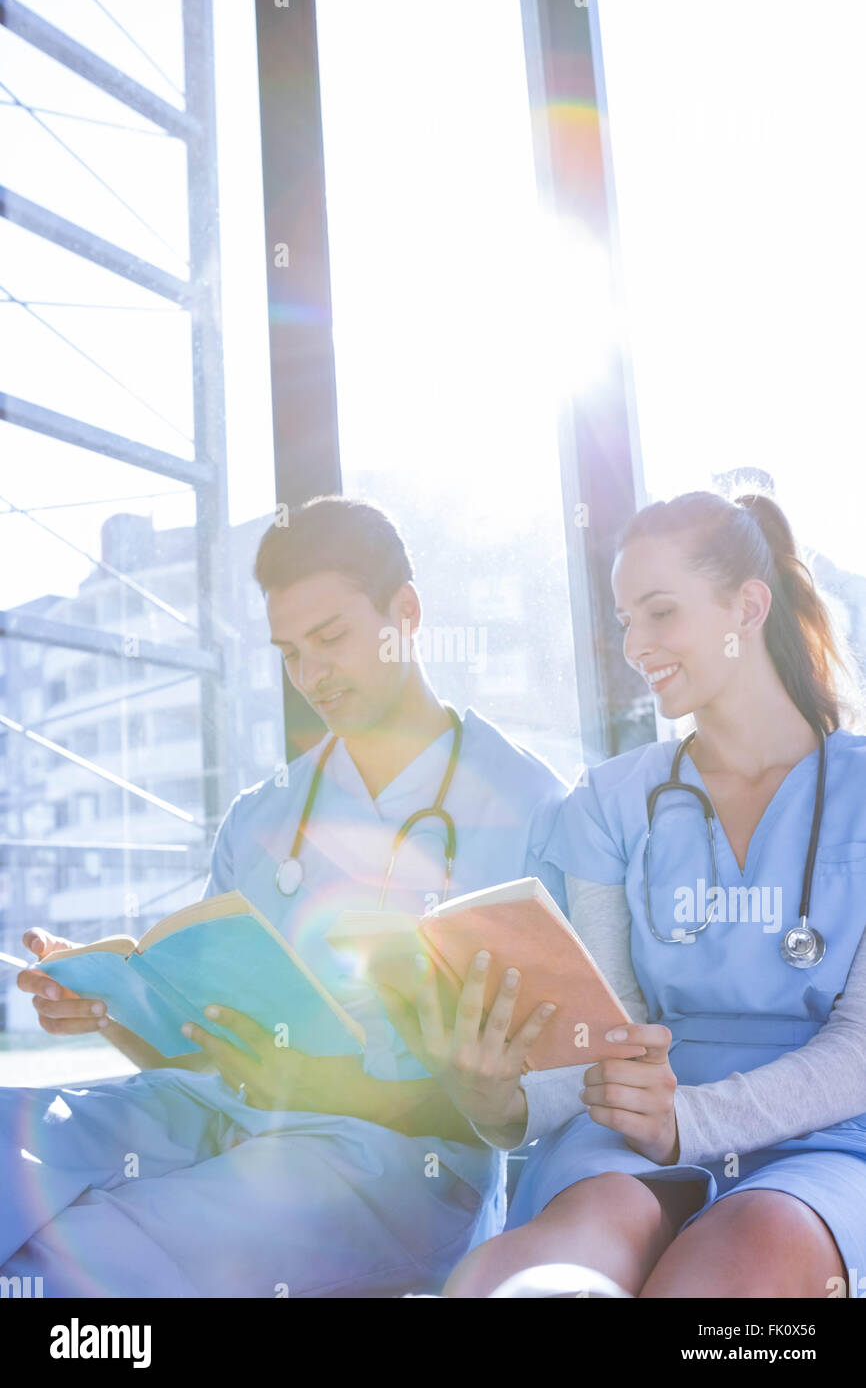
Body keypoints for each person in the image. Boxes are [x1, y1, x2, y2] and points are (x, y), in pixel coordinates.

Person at [0, 496, 567, 1298]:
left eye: (331, 638)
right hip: (224, 1112)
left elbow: (543, 1096)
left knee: (79, 1258)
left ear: (405, 612)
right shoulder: (264, 814)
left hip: (399, 1161)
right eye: (290, 652)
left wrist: (318, 1084)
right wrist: (113, 1006)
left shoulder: (531, 807)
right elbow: (204, 1048)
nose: (311, 676)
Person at [388, 491, 866, 1298]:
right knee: (527, 1274)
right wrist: (500, 1097)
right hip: (630, 1131)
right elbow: (604, 1035)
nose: (635, 644)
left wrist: (694, 1121)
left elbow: (860, 1050)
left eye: (660, 613)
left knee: (735, 1269)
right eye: (623, 621)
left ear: (747, 607)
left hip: (824, 1138)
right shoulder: (611, 802)